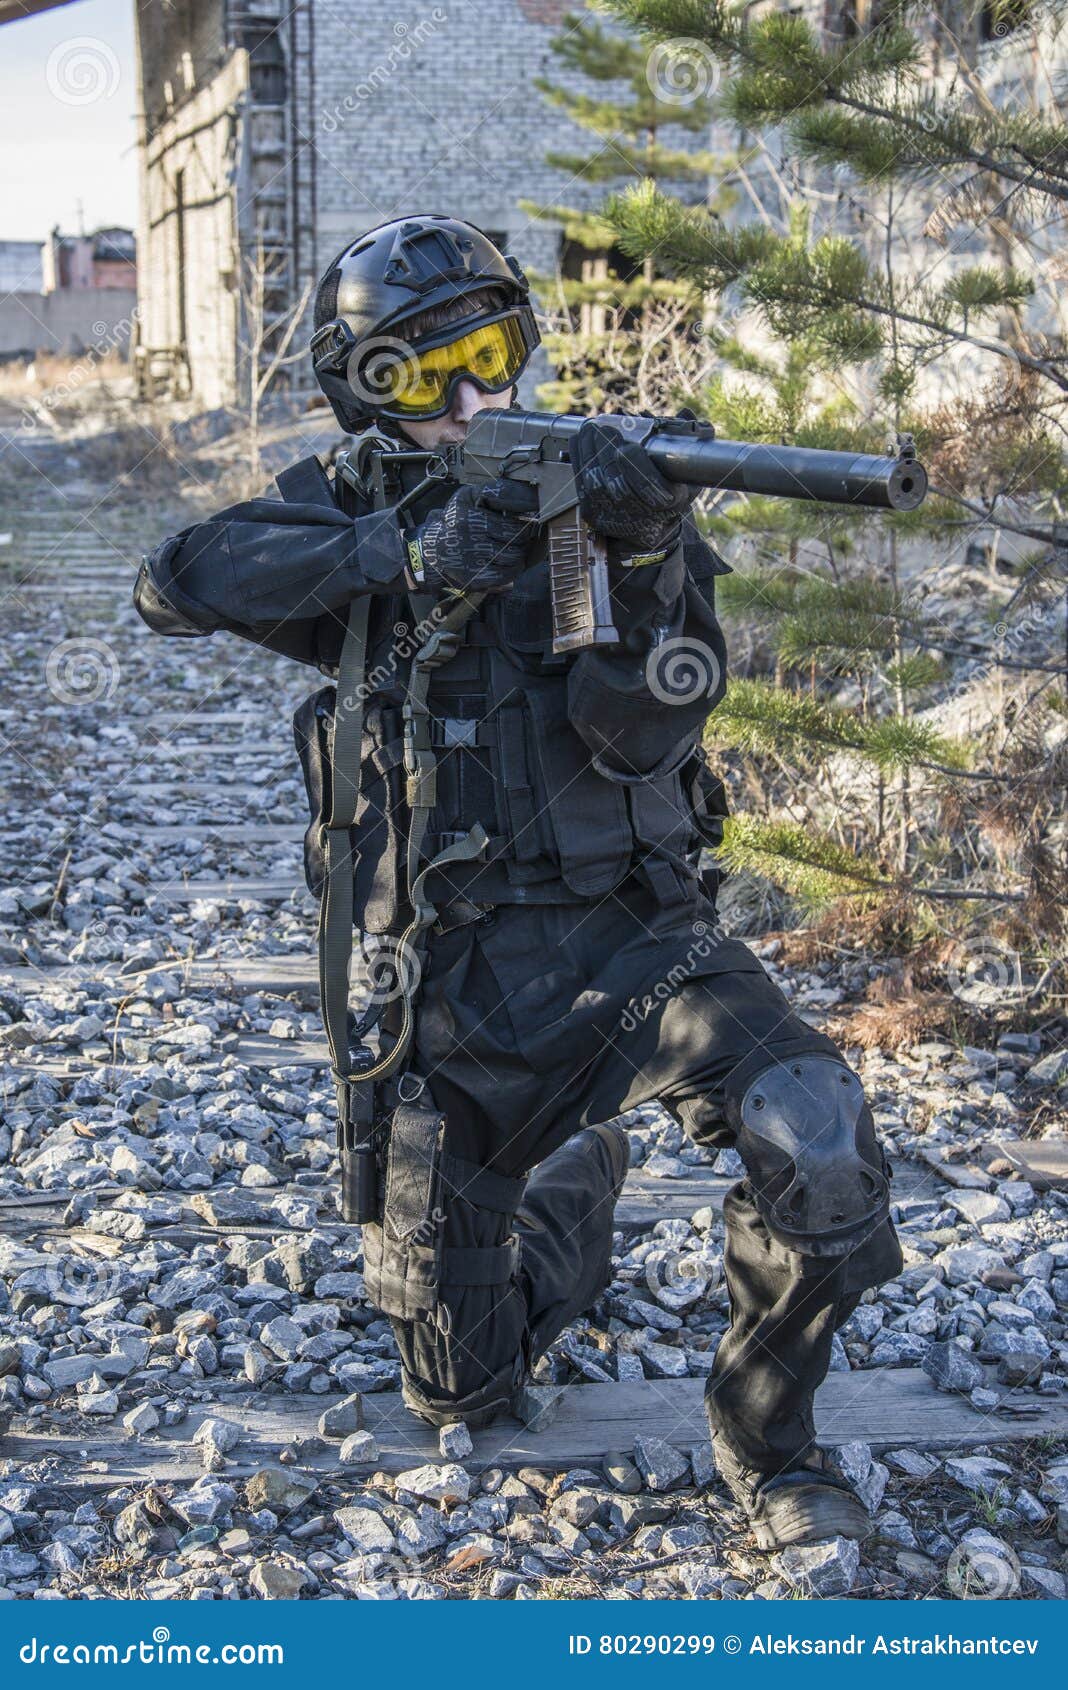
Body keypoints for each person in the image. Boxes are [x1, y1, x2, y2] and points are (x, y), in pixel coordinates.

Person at [134, 214, 902, 1550]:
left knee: (817, 1131)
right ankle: (576, 1184)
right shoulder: (359, 510)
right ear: (366, 390)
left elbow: (645, 728)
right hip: (454, 1001)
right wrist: (415, 554)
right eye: (431, 375)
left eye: (494, 354)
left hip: (641, 952)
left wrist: (647, 553)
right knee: (462, 1386)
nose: (478, 398)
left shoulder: (606, 504)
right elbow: (174, 579)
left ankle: (771, 1444)